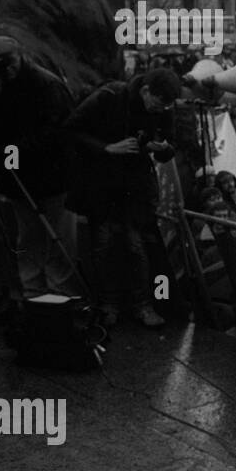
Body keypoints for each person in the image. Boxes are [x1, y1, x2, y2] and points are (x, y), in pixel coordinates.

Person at [65, 67, 181, 328]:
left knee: (136, 245)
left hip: (135, 186)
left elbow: (170, 145)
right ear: (145, 91)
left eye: (167, 106)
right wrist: (107, 148)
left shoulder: (164, 107)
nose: (161, 110)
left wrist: (161, 148)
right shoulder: (109, 96)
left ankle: (141, 305)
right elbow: (72, 129)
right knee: (103, 244)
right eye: (159, 103)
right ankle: (108, 304)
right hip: (102, 183)